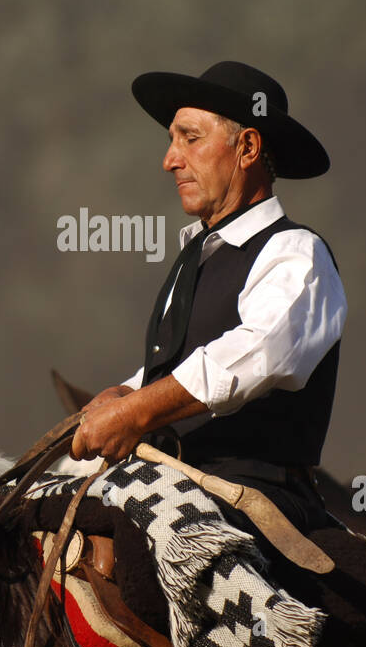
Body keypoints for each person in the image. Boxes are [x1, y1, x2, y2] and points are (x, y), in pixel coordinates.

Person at [70, 60, 347, 535]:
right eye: (171, 141)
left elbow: (258, 353)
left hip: (258, 501)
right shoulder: (194, 258)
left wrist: (134, 412)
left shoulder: (296, 251)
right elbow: (186, 360)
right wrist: (125, 394)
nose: (170, 159)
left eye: (190, 138)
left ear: (247, 147)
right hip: (177, 487)